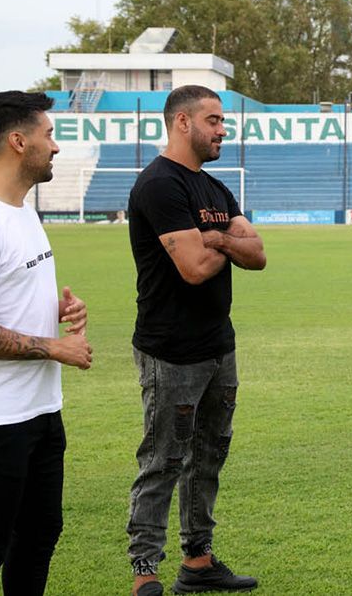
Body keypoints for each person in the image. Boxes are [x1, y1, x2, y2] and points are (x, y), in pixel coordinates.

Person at [0, 90, 93, 595]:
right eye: (49, 135)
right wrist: (55, 348)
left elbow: (7, 302)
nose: (56, 146)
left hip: (40, 409)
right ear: (18, 141)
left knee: (39, 534)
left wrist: (59, 312)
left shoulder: (22, 211)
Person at [125, 85, 266, 596]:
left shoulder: (216, 189)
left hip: (218, 346)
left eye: (223, 121)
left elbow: (258, 254)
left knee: (209, 456)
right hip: (171, 351)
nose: (223, 130)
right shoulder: (159, 185)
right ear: (182, 122)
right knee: (163, 460)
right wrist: (229, 244)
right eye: (214, 120)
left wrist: (219, 239)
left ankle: (198, 562)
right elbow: (193, 268)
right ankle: (145, 572)